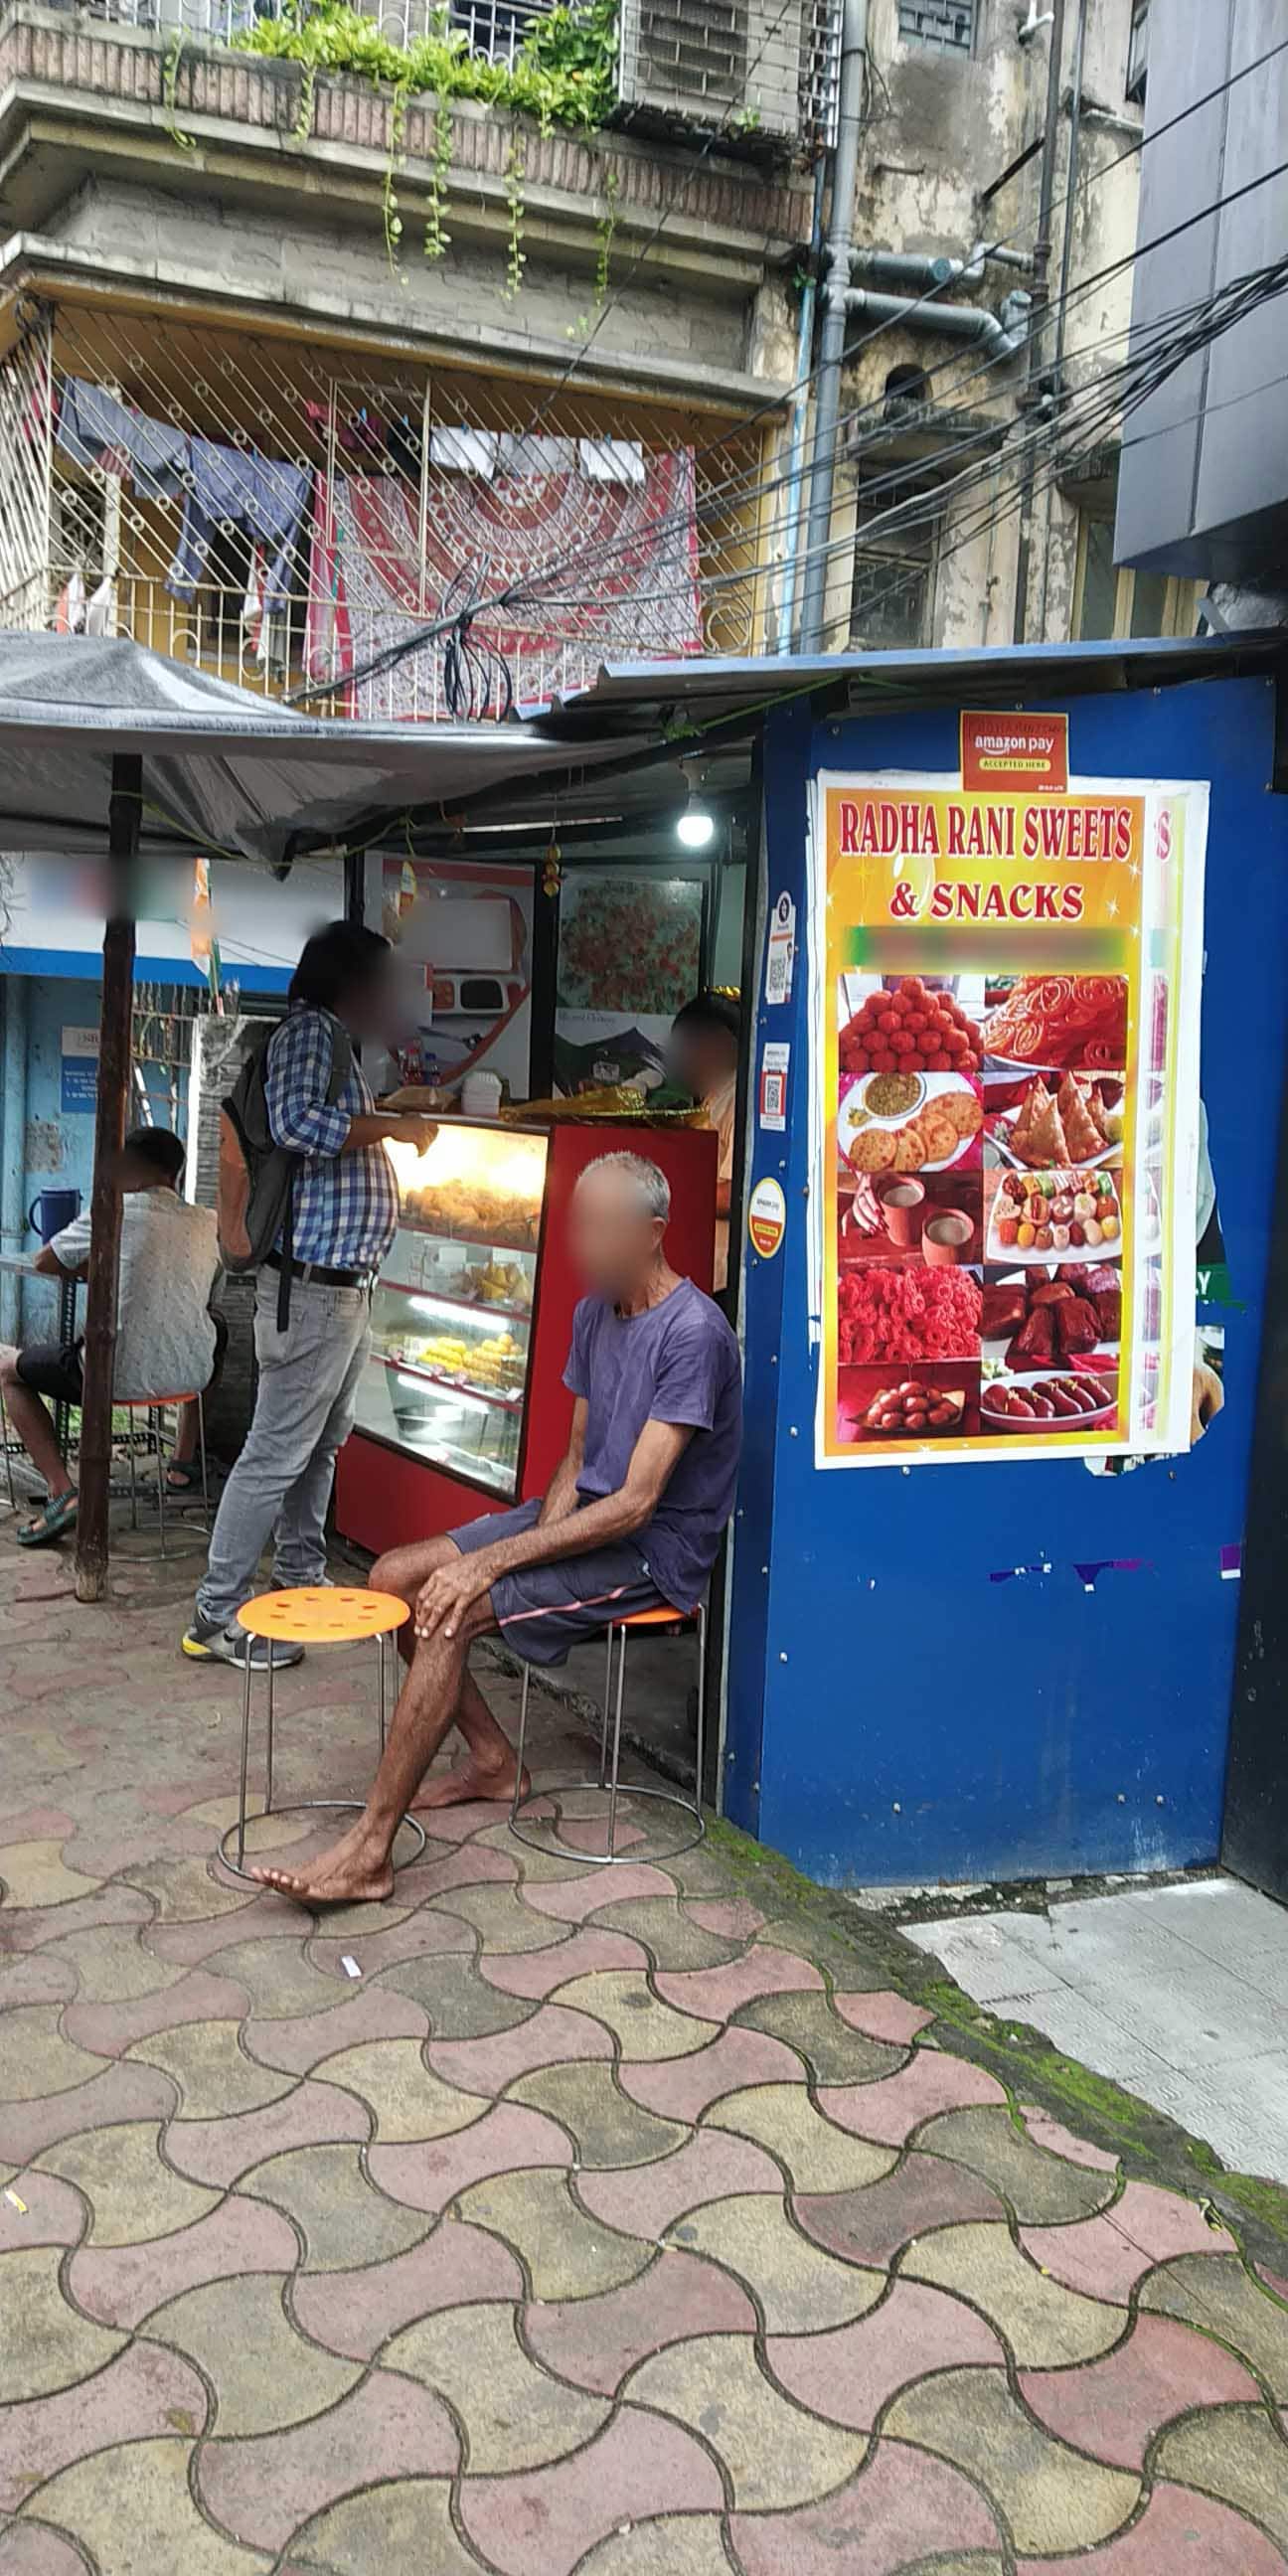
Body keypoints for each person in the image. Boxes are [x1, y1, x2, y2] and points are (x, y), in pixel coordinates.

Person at [249, 1150, 742, 1907]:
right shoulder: (594, 1311)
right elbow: (578, 1457)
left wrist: (499, 1568)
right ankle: (491, 1761)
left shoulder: (693, 1334)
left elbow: (638, 1502)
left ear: (652, 1233)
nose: (581, 1243)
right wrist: (525, 1553)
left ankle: (370, 1850)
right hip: (589, 1520)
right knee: (394, 1578)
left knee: (448, 1612)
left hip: (653, 1549)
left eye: (600, 1227)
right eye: (578, 1223)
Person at [183, 920, 437, 1669]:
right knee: (275, 1452)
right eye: (383, 981)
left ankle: (300, 1579)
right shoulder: (310, 1035)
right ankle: (216, 1616)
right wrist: (391, 1124)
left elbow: (321, 1123)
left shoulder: (330, 1042)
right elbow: (297, 1124)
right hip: (313, 1291)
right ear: (353, 985)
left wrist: (389, 1106)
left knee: (320, 1445)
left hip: (339, 1290)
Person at [1, 1126, 219, 1548]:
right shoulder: (207, 1222)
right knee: (217, 1334)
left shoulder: (113, 1211)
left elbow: (46, 1260)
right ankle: (181, 1463)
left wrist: (96, 1268)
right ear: (175, 1174)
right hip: (191, 1376)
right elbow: (210, 1293)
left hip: (112, 1376)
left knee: (8, 1369)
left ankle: (62, 1490)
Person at [669, 992, 740, 1293]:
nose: (680, 1062)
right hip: (702, 1270)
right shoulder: (715, 1098)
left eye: (686, 1049)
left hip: (722, 1278)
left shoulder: (737, 1099)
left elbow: (734, 1193)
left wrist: (669, 1193)